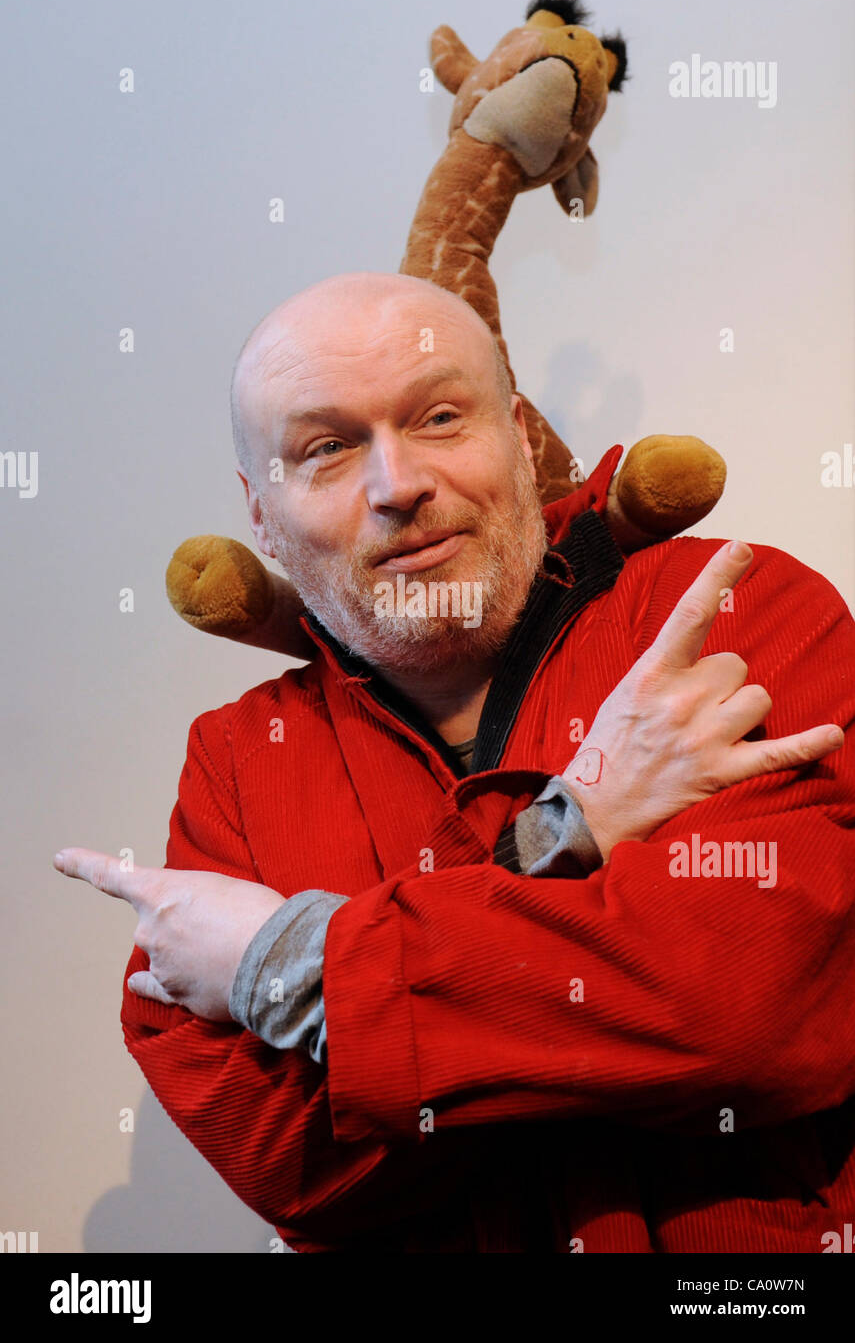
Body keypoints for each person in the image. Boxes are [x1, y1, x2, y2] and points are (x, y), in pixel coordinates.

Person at [54, 272, 855, 1253]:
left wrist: (295, 968)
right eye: (326, 448)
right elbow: (288, 1159)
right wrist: (569, 837)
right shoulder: (233, 762)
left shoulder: (735, 612)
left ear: (520, 435)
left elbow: (747, 1009)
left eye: (439, 416)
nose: (398, 485)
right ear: (259, 513)